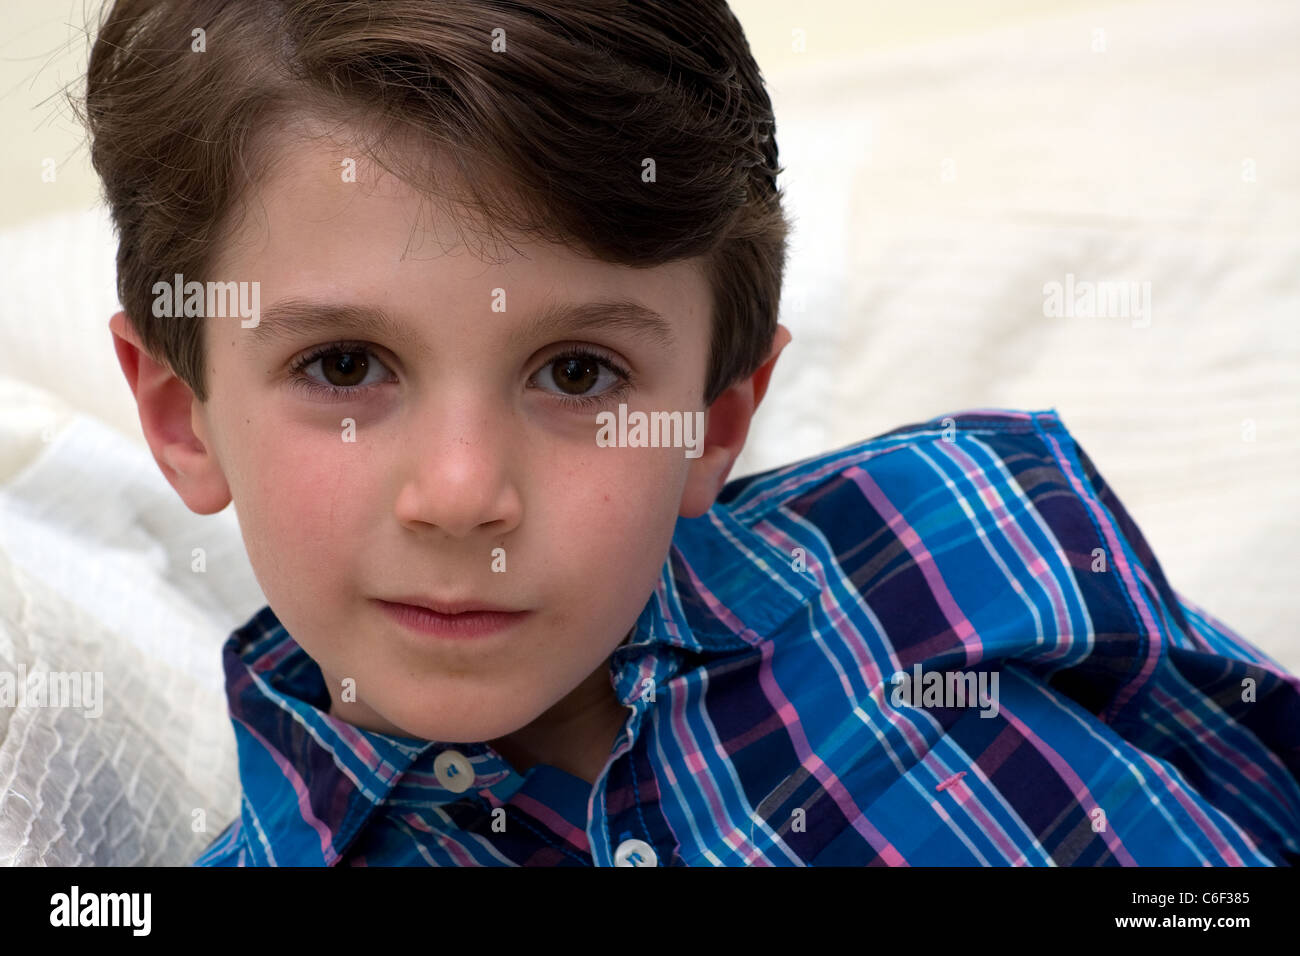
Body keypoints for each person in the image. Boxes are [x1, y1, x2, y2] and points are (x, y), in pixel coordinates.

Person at [79, 0, 1299, 865]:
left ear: (718, 416)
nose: (460, 495)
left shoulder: (954, 535)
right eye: (344, 365)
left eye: (577, 370)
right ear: (181, 414)